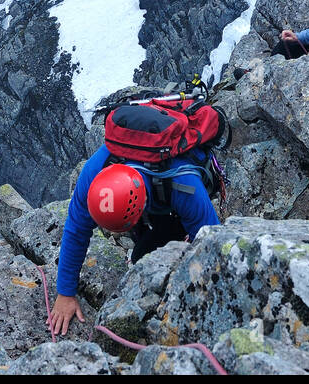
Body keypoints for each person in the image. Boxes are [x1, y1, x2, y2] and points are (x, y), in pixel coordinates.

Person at [46, 142, 221, 336]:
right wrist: (65, 292)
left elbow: (213, 244)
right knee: (142, 256)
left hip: (171, 192)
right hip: (152, 193)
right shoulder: (93, 173)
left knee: (146, 255)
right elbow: (76, 230)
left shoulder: (185, 185)